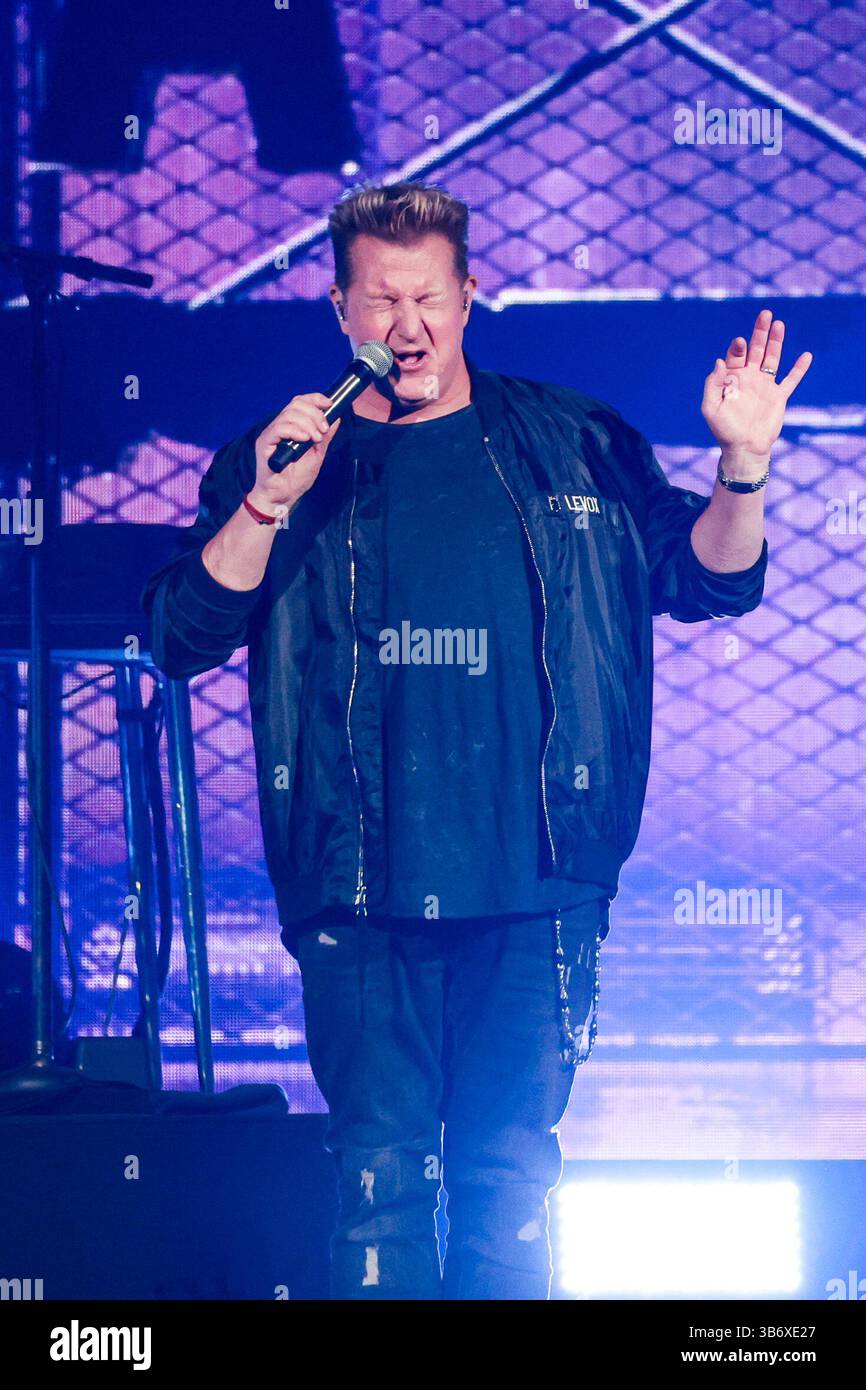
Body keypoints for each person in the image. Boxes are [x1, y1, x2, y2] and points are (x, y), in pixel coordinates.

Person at [143, 180, 812, 1300]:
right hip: (357, 894)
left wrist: (740, 467)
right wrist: (262, 504)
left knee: (506, 1195)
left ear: (466, 297)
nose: (403, 326)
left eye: (427, 297)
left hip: (537, 884)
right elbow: (178, 632)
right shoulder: (282, 460)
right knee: (378, 1190)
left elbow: (709, 577)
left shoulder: (575, 441)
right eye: (377, 300)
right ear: (338, 311)